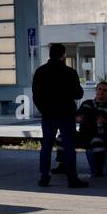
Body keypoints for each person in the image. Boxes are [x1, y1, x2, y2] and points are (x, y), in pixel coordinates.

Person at [31, 43, 87, 187]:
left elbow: (36, 95)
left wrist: (44, 109)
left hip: (48, 115)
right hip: (66, 114)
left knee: (46, 146)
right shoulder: (70, 72)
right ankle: (72, 179)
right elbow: (78, 93)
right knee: (69, 147)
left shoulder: (40, 72)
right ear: (63, 55)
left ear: (50, 54)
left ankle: (44, 177)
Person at [77, 81, 107, 177]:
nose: (101, 92)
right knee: (62, 137)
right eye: (99, 89)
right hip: (84, 134)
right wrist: (79, 118)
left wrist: (106, 121)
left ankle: (98, 170)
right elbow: (76, 117)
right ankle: (61, 165)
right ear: (96, 90)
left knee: (96, 141)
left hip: (102, 135)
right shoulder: (86, 103)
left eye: (105, 90)